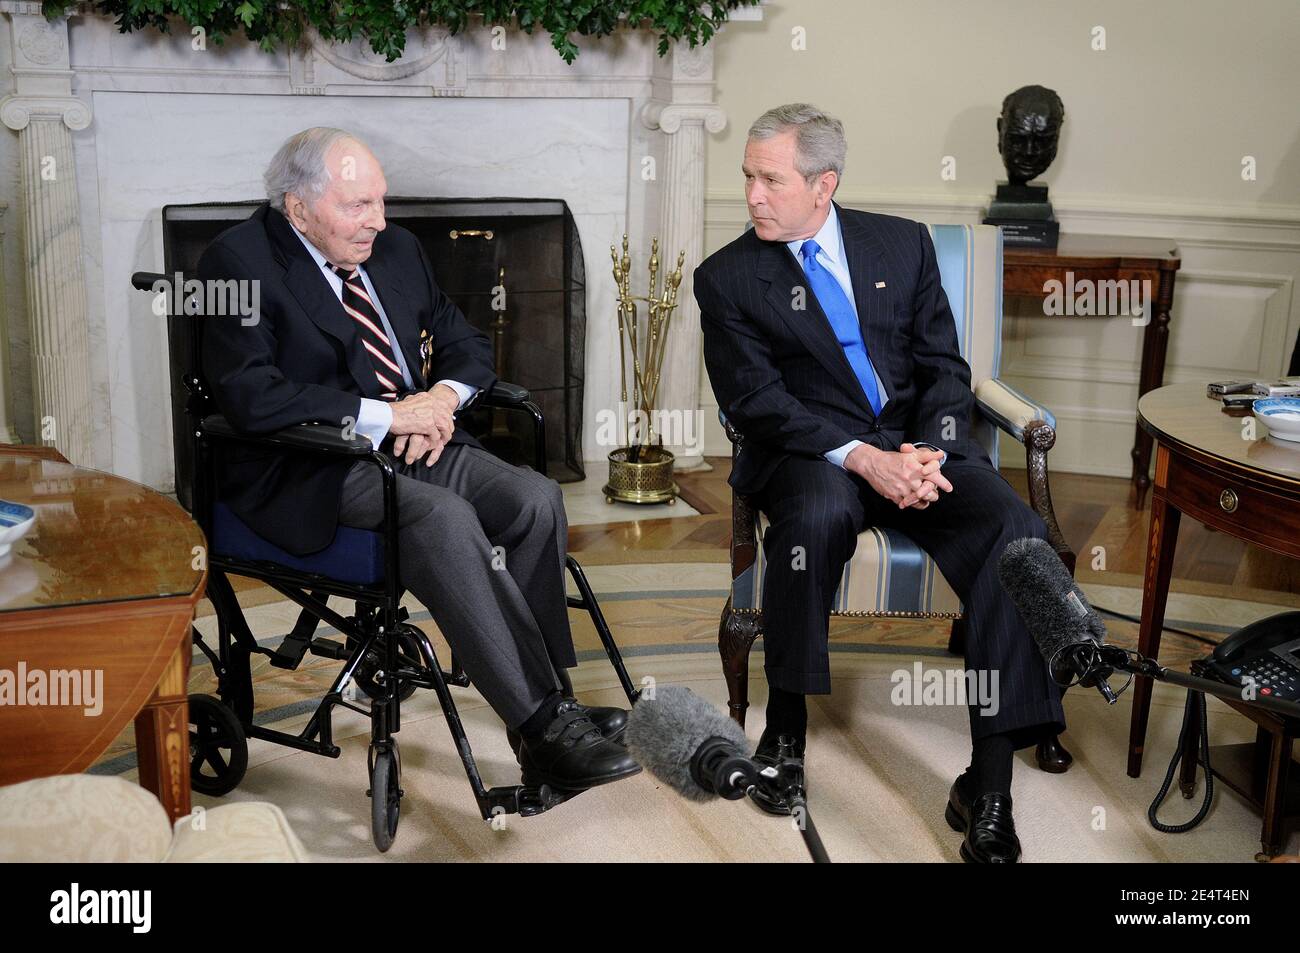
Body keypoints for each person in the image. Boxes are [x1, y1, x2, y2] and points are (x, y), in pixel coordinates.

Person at [199, 127, 638, 792]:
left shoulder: (395, 249)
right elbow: (251, 396)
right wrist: (387, 414)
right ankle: (547, 725)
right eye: (357, 206)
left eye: (381, 201)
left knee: (534, 499)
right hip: (311, 465)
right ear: (298, 208)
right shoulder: (237, 262)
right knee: (441, 517)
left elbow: (466, 343)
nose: (378, 220)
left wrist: (438, 398)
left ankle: (550, 708)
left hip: (421, 440)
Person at [696, 104, 1067, 862]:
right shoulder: (728, 277)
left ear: (822, 185)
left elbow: (944, 368)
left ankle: (987, 786)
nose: (753, 196)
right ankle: (788, 728)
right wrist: (864, 459)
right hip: (810, 454)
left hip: (919, 446)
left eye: (771, 180)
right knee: (815, 521)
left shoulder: (902, 243)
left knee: (1017, 533)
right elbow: (756, 402)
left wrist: (928, 453)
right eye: (748, 178)